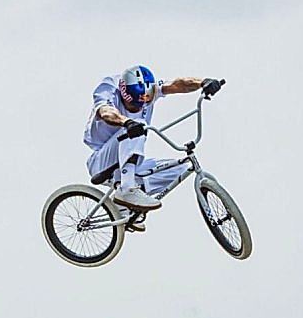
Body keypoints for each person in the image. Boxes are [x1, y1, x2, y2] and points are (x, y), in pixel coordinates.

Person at [83, 65, 213, 212]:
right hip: (103, 161)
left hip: (128, 161)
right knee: (139, 125)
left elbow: (177, 84)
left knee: (180, 168)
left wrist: (203, 82)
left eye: (144, 103)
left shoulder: (147, 92)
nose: (138, 108)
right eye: (132, 106)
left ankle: (125, 205)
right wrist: (126, 121)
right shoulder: (109, 88)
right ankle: (127, 190)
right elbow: (105, 112)